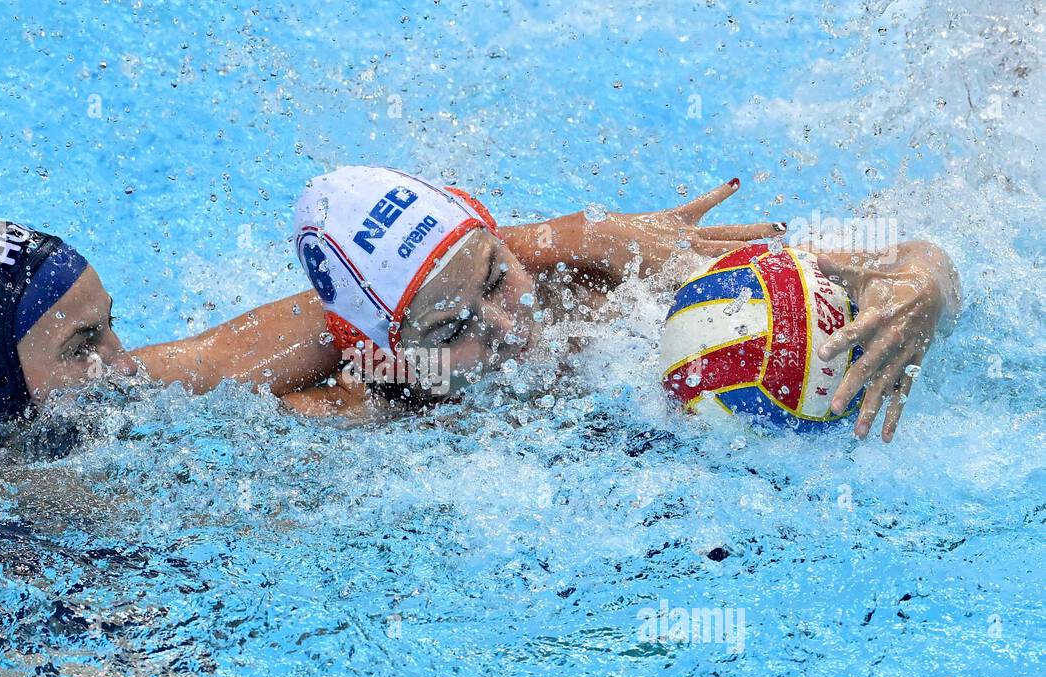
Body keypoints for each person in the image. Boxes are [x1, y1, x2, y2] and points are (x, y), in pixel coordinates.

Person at [0, 180, 790, 428]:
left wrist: (565, 237)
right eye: (80, 346)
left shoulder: (132, 391)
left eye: (110, 324)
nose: (122, 362)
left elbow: (344, 311)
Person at [279, 166, 962, 442]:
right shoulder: (363, 419)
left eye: (495, 279)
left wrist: (924, 288)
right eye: (450, 327)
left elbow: (912, 260)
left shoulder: (617, 287)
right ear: (386, 353)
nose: (505, 322)